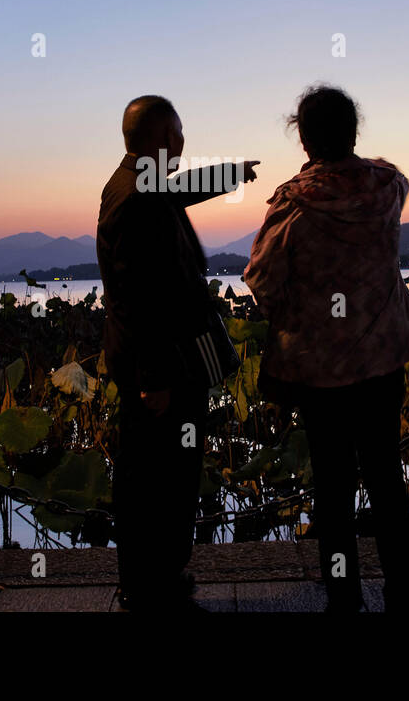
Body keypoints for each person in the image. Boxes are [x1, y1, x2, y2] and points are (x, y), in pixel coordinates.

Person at [242, 84, 409, 613]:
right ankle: (402, 590)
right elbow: (396, 177)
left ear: (302, 138)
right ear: (354, 130)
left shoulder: (296, 202)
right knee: (386, 476)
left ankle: (345, 597)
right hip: (384, 356)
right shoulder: (388, 186)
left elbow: (261, 279)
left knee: (334, 484)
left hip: (323, 368)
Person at [96, 94, 259, 611]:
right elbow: (137, 293)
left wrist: (228, 174)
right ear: (164, 137)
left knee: (163, 471)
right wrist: (154, 377)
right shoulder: (138, 196)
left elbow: (178, 193)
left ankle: (157, 573)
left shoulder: (134, 182)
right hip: (160, 366)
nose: (185, 141)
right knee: (156, 475)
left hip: (162, 361)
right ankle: (148, 583)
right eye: (181, 131)